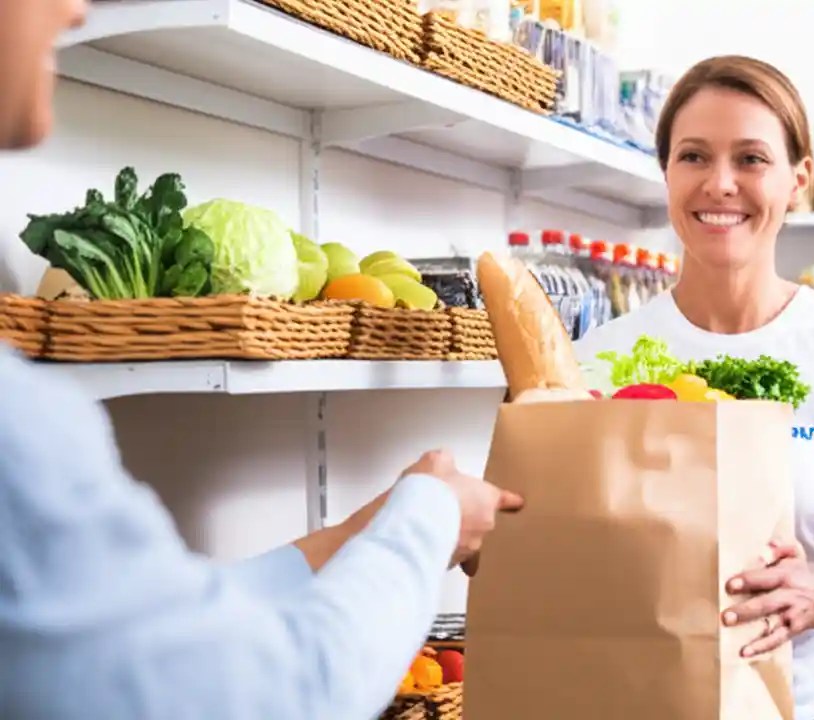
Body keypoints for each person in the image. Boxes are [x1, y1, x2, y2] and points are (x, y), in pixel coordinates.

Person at [0, 1, 522, 718]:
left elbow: (177, 633)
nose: (74, 6)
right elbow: (284, 693)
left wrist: (365, 529)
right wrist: (429, 516)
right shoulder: (19, 421)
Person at [574, 55, 814, 720]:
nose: (720, 183)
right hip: (656, 703)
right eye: (694, 156)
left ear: (799, 180)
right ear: (667, 174)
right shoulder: (598, 358)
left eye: (752, 159)